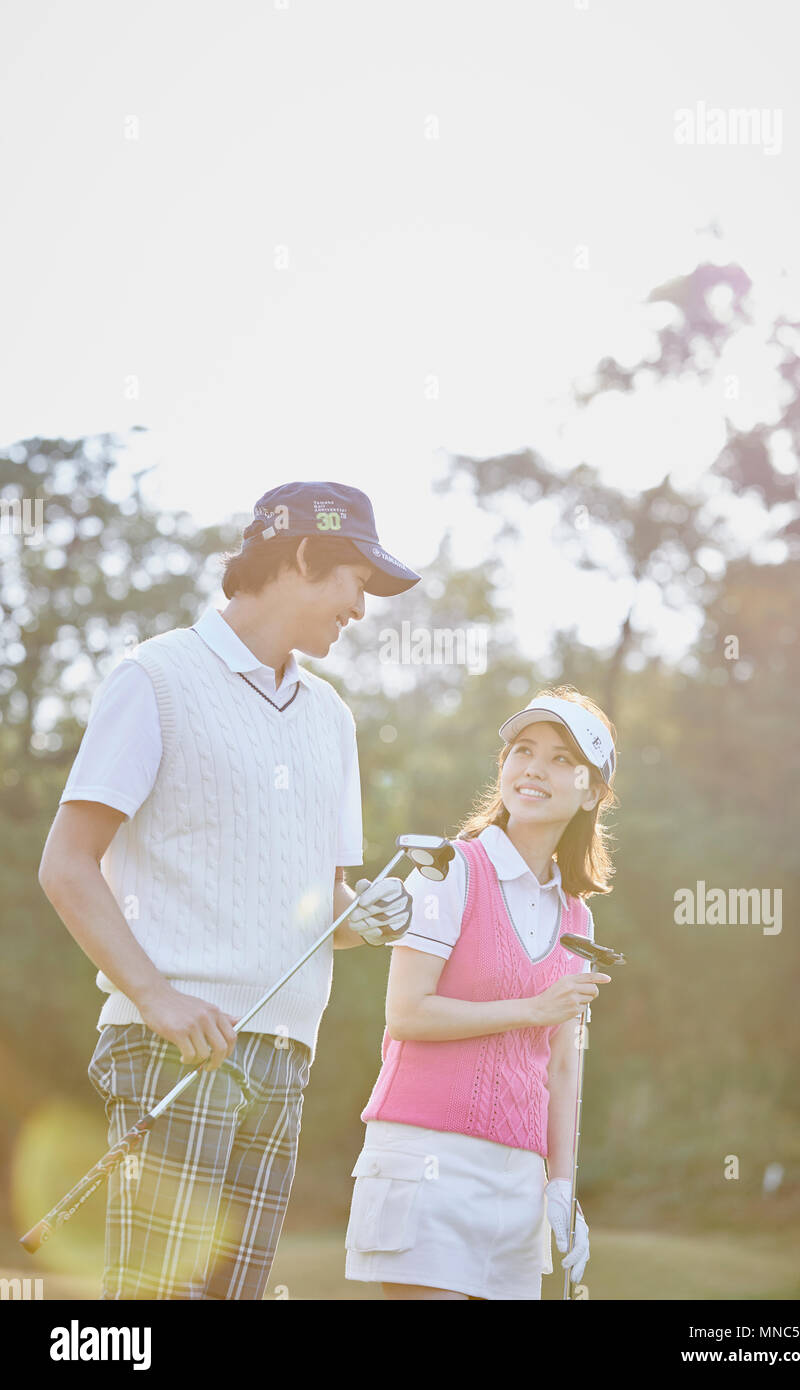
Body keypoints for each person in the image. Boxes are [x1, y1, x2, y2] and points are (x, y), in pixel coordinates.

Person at [38, 481, 420, 1300]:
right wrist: (156, 998)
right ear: (309, 557)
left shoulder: (331, 718)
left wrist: (372, 918)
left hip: (284, 1056)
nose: (361, 607)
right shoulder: (158, 677)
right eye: (357, 580)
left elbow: (326, 907)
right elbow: (66, 864)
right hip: (177, 1046)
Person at [344, 687, 618, 1300]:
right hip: (424, 1154)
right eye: (522, 751)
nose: (533, 769)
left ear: (592, 790)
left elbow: (566, 1061)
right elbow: (408, 1013)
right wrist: (531, 1010)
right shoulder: (448, 871)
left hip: (519, 1177)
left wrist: (562, 1184)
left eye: (558, 759)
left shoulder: (578, 919)